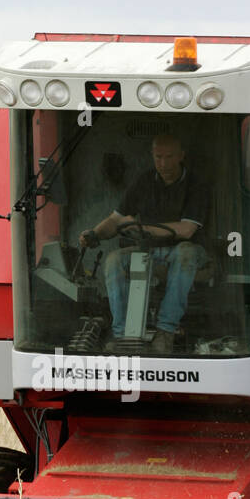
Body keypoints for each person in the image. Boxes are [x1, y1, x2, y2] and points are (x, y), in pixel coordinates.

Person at [79, 134, 209, 354]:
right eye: (158, 157)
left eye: (169, 157)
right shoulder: (144, 181)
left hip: (186, 250)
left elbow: (187, 230)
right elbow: (116, 219)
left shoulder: (197, 185)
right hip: (147, 249)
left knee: (185, 253)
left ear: (181, 156)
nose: (164, 163)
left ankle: (165, 332)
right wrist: (94, 234)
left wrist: (142, 228)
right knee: (113, 260)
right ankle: (122, 335)